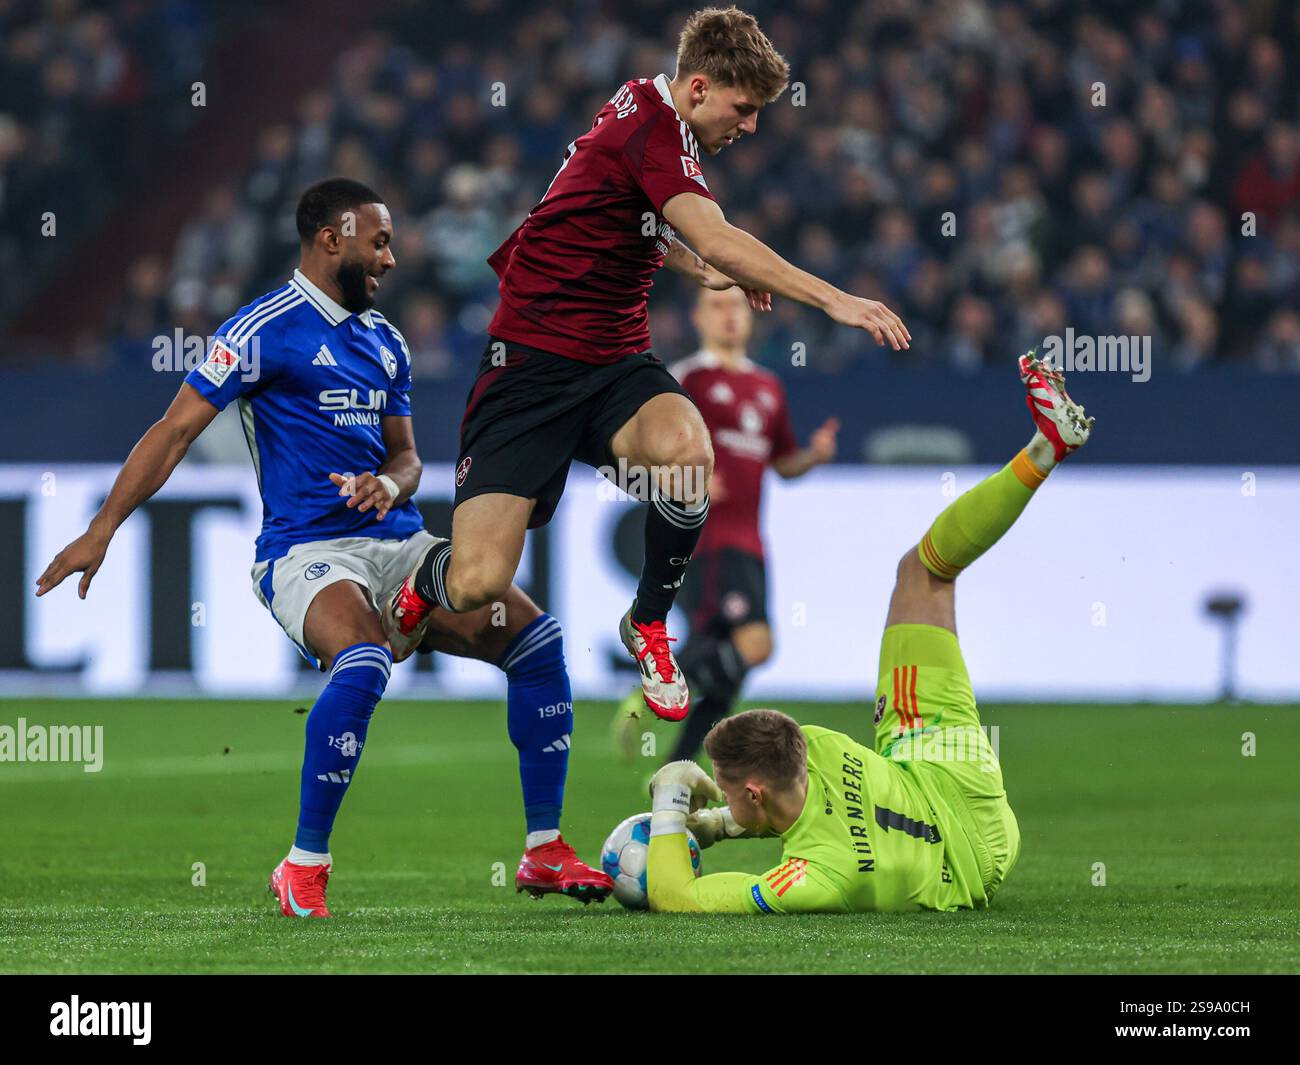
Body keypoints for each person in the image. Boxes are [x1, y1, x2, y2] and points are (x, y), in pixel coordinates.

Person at [35, 178, 613, 916]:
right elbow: (173, 431)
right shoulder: (259, 329)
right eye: (379, 242)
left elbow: (407, 458)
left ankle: (543, 849)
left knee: (537, 641)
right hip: (306, 552)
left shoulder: (386, 341)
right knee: (366, 658)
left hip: (394, 538)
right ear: (330, 238)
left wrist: (391, 485)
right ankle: (304, 863)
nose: (392, 259)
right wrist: (102, 527)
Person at [384, 6, 909, 725]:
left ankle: (649, 622)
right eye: (744, 108)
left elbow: (612, 212)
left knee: (687, 452)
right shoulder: (654, 130)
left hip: (613, 362)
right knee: (477, 583)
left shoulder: (644, 102)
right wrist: (833, 298)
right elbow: (716, 233)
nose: (750, 126)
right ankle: (420, 578)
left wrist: (689, 265)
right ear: (697, 88)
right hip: (528, 369)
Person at [642, 352, 1094, 913]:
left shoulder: (815, 879)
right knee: (925, 571)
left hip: (976, 841)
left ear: (753, 792)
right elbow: (777, 799)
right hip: (947, 772)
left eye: (731, 789)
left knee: (925, 573)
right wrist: (719, 821)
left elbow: (672, 895)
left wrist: (671, 800)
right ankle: (1043, 452)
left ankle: (1046, 449)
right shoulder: (815, 745)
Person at [616, 284, 839, 761]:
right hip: (707, 541)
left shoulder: (767, 387)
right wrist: (681, 475)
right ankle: (649, 695)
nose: (729, 315)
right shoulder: (686, 378)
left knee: (728, 672)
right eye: (717, 305)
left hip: (751, 541)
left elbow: (781, 464)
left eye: (737, 305)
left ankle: (674, 775)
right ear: (698, 317)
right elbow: (645, 442)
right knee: (755, 643)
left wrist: (812, 457)